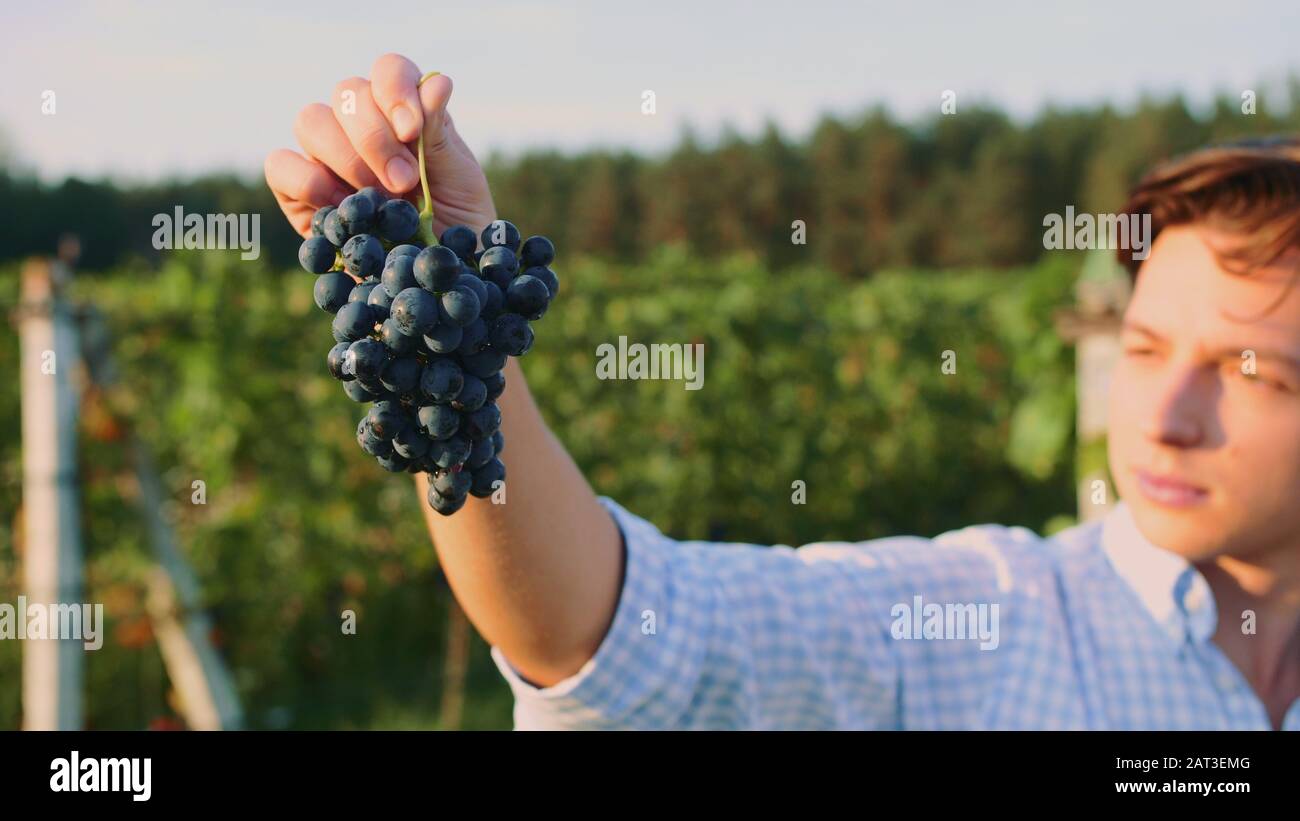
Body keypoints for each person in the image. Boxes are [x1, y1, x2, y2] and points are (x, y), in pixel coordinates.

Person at [266, 55, 1300, 730]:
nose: (1163, 417)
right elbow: (614, 638)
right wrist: (452, 342)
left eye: (1250, 371)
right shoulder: (991, 615)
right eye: (1147, 346)